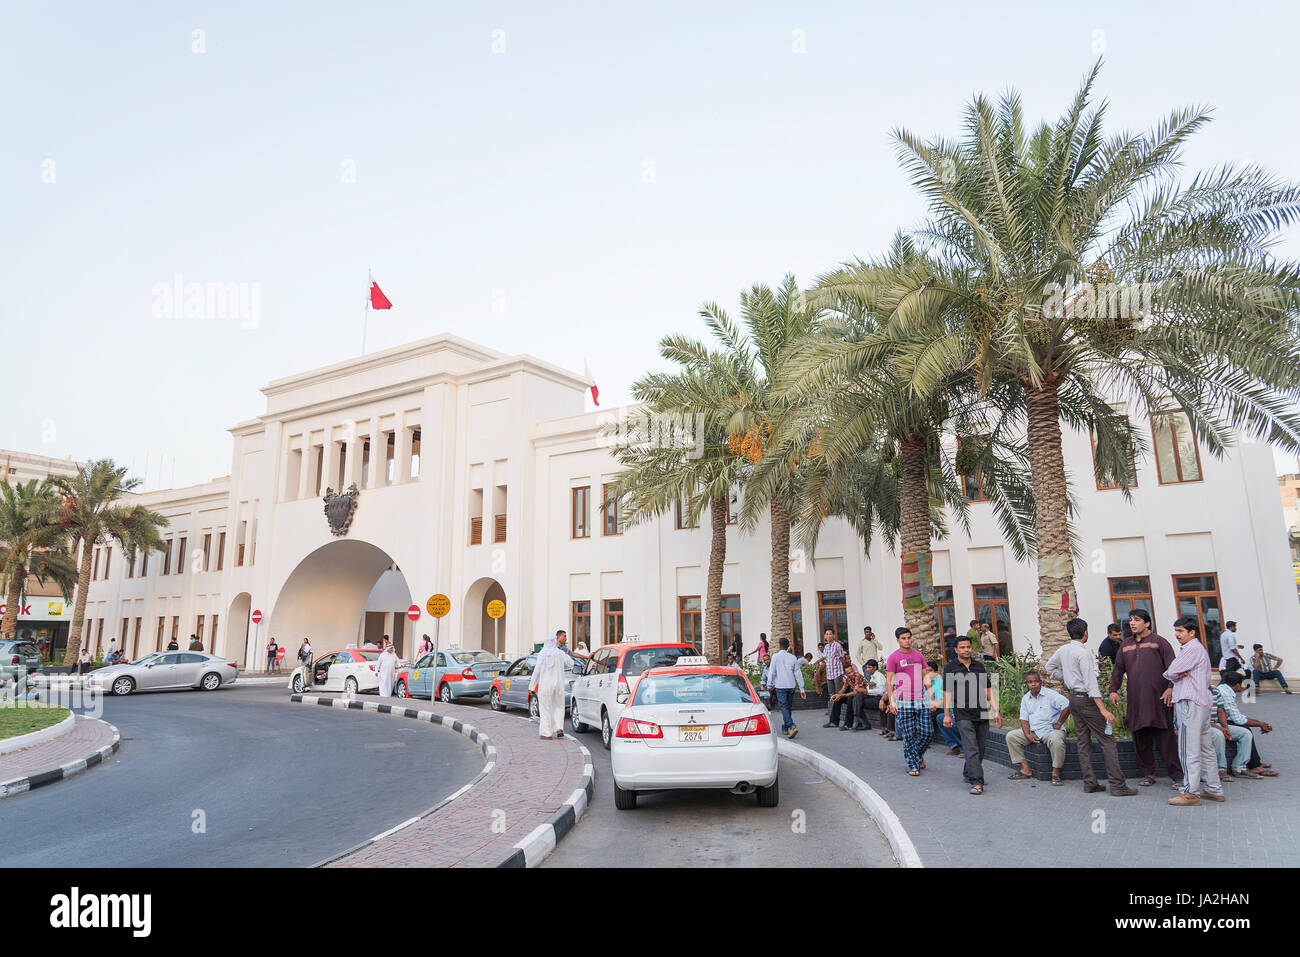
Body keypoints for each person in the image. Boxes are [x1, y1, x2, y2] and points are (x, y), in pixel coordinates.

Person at [1047, 618, 1136, 796]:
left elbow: (1050, 668)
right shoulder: (1084, 653)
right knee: (1107, 740)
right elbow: (1090, 684)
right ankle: (1118, 785)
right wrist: (1103, 709)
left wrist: (1067, 678)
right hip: (1086, 700)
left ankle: (1090, 782)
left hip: (1073, 699)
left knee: (1083, 741)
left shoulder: (1064, 649)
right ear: (1085, 632)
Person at [1108, 609, 1183, 788]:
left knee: (1166, 740)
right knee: (1140, 739)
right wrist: (1113, 690)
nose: (1132, 623)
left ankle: (1178, 776)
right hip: (1136, 701)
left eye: (1137, 620)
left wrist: (1171, 688)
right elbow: (1118, 670)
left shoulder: (1160, 643)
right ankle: (1148, 774)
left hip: (1160, 700)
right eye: (1131, 620)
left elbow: (1173, 668)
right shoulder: (1125, 645)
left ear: (1147, 623)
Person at [1163, 616, 1226, 806]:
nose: (1177, 635)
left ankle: (1190, 791)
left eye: (1181, 631)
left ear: (1192, 633)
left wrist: (1174, 674)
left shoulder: (1191, 649)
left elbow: (1170, 671)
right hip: (1202, 702)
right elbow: (1174, 672)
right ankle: (1214, 788)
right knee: (1206, 748)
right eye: (1176, 631)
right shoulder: (1198, 649)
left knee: (1187, 748)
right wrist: (1175, 673)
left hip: (1189, 702)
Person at [942, 635, 1002, 794]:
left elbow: (988, 690)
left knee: (981, 748)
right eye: (962, 647)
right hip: (962, 713)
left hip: (982, 712)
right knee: (971, 747)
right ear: (956, 650)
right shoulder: (950, 668)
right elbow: (947, 693)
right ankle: (977, 781)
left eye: (968, 646)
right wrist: (947, 714)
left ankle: (968, 772)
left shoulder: (978, 667)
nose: (966, 650)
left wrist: (996, 710)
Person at [1006, 670, 1070, 785]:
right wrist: (1027, 735)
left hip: (1051, 730)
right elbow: (1024, 719)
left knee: (1057, 740)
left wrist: (1059, 723)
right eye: (1030, 682)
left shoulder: (1051, 695)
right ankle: (1025, 769)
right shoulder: (1026, 698)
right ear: (1026, 684)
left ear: (1040, 682)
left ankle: (1055, 774)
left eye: (1036, 681)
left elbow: (1067, 705)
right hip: (1034, 731)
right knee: (1011, 736)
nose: (1033, 684)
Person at [1213, 670, 1278, 778]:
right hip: (1214, 723)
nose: (1243, 686)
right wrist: (1260, 724)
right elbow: (1238, 719)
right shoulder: (1225, 693)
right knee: (1246, 730)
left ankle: (1249, 764)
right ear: (1237, 684)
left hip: (1221, 720)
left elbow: (1235, 716)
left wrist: (1260, 723)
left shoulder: (1225, 689)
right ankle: (1252, 765)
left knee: (1246, 729)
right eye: (1242, 683)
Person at [886, 627, 931, 776]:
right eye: (903, 638)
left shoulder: (918, 656)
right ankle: (913, 765)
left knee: (927, 733)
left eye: (908, 637)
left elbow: (925, 676)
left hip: (920, 699)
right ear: (898, 640)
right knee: (908, 734)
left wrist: (930, 696)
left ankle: (916, 755)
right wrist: (892, 701)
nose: (907, 640)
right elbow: (890, 681)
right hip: (903, 700)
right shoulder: (894, 657)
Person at [766, 636, 807, 738]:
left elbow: (772, 672)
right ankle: (785, 727)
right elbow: (798, 673)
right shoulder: (793, 658)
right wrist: (802, 688)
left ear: (779, 646)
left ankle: (792, 726)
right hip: (791, 685)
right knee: (787, 707)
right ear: (788, 646)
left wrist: (769, 684)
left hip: (780, 685)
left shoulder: (775, 657)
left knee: (783, 707)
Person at [530, 630, 568, 739]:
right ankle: (559, 727)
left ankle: (547, 733)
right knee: (559, 707)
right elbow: (571, 663)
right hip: (559, 686)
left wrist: (531, 687)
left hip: (545, 686)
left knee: (545, 708)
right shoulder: (560, 653)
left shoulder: (542, 655)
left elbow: (536, 671)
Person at [926, 660, 962, 753]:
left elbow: (943, 700)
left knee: (929, 715)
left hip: (947, 709)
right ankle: (954, 746)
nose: (927, 673)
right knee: (938, 717)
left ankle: (962, 748)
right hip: (941, 710)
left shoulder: (940, 683)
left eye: (929, 671)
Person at [829, 658, 870, 730]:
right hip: (856, 695)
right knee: (838, 698)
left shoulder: (857, 676)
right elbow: (843, 689)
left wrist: (841, 695)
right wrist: (837, 695)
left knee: (850, 698)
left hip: (863, 696)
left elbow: (856, 692)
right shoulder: (848, 679)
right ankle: (834, 722)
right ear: (845, 674)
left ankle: (848, 724)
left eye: (852, 671)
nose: (851, 674)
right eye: (849, 673)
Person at [822, 628, 845, 720]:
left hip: (837, 672)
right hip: (829, 673)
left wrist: (843, 671)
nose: (828, 636)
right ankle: (832, 712)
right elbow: (826, 659)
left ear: (834, 635)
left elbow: (842, 659)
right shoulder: (826, 647)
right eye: (827, 634)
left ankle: (839, 714)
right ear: (824, 636)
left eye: (830, 634)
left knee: (838, 693)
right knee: (831, 693)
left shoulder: (838, 646)